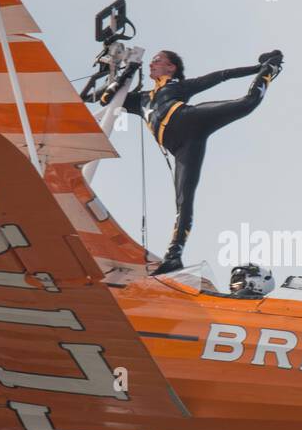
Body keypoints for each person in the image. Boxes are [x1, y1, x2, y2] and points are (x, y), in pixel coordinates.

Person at [112, 48, 283, 275]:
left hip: (191, 120)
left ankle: (271, 70)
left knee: (247, 103)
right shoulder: (140, 99)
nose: (151, 64)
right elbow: (107, 99)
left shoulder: (179, 86)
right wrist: (127, 71)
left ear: (171, 67)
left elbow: (222, 75)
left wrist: (257, 68)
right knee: (183, 200)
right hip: (181, 147)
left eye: (157, 60)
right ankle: (174, 257)